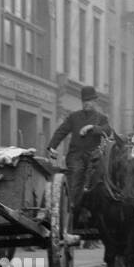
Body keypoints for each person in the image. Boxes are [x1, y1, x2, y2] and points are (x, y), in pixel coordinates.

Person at [47, 85, 110, 214]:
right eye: (85, 101)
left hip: (94, 158)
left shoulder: (101, 118)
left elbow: (108, 131)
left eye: (90, 101)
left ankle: (97, 207)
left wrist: (93, 128)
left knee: (99, 179)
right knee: (75, 177)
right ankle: (71, 209)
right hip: (76, 156)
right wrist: (52, 146)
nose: (87, 104)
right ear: (82, 102)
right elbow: (61, 131)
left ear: (95, 102)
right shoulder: (73, 117)